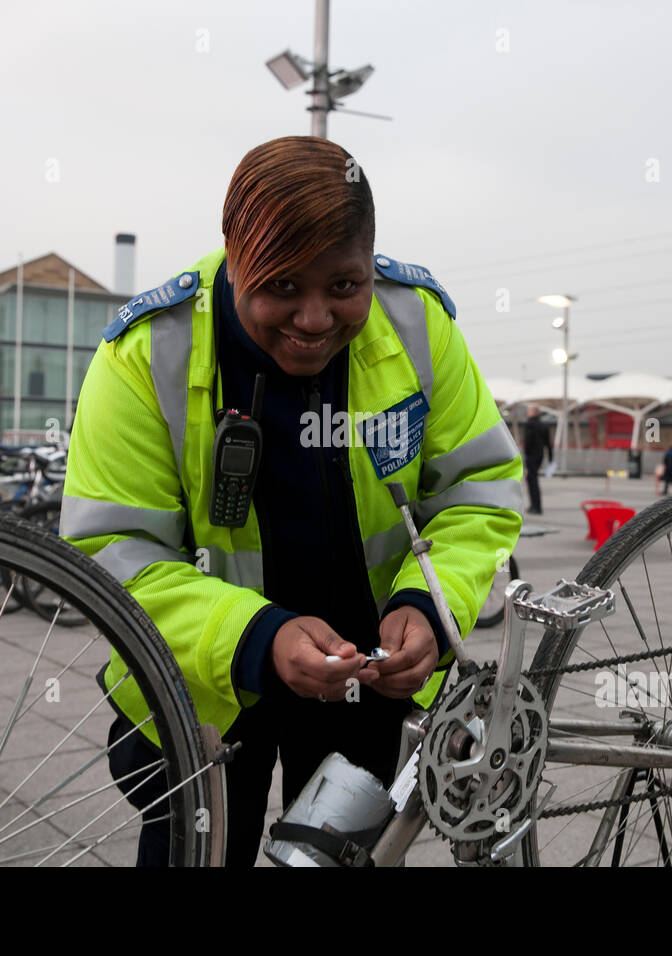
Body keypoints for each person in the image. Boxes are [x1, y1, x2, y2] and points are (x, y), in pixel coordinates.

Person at [62, 137, 523, 866]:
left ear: (370, 260)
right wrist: (256, 637)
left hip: (366, 689)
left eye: (344, 287)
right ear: (232, 254)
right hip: (204, 697)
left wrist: (431, 604)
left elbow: (480, 493)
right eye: (280, 287)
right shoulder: (146, 353)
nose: (313, 320)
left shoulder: (417, 325)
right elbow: (110, 552)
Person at [523, 403, 554, 514]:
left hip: (531, 455)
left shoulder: (529, 424)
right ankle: (537, 505)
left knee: (531, 481)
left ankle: (534, 506)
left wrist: (525, 456)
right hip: (540, 455)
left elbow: (527, 441)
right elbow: (548, 444)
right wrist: (550, 457)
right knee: (534, 479)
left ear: (532, 412)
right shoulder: (543, 425)